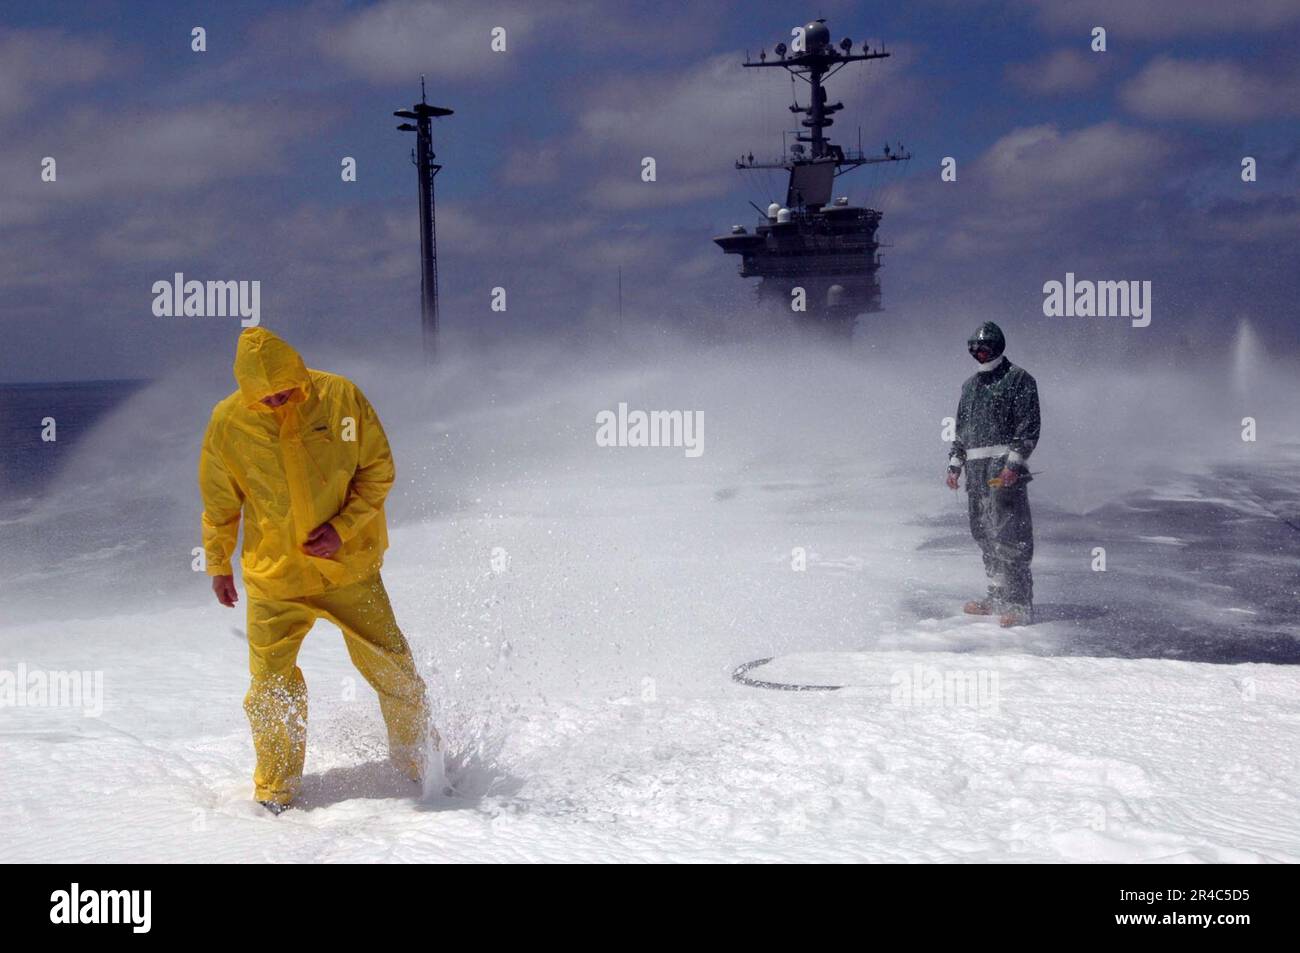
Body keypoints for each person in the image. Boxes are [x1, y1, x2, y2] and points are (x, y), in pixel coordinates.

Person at [199, 327, 433, 814]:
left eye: (284, 389)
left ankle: (418, 763)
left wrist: (342, 528)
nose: (277, 398)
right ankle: (275, 790)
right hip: (275, 577)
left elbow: (378, 470)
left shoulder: (340, 397)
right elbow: (221, 503)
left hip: (346, 568)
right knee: (269, 685)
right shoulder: (227, 421)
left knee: (393, 667)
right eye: (264, 396)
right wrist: (219, 563)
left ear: (296, 373)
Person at [945, 321, 1040, 627]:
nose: (979, 354)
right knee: (984, 535)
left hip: (1003, 472)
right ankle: (997, 596)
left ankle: (1019, 603)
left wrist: (1014, 464)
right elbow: (961, 431)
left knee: (1010, 537)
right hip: (976, 472)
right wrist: (955, 466)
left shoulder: (1018, 380)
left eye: (984, 349)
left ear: (997, 347)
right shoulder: (969, 386)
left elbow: (1028, 427)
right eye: (974, 350)